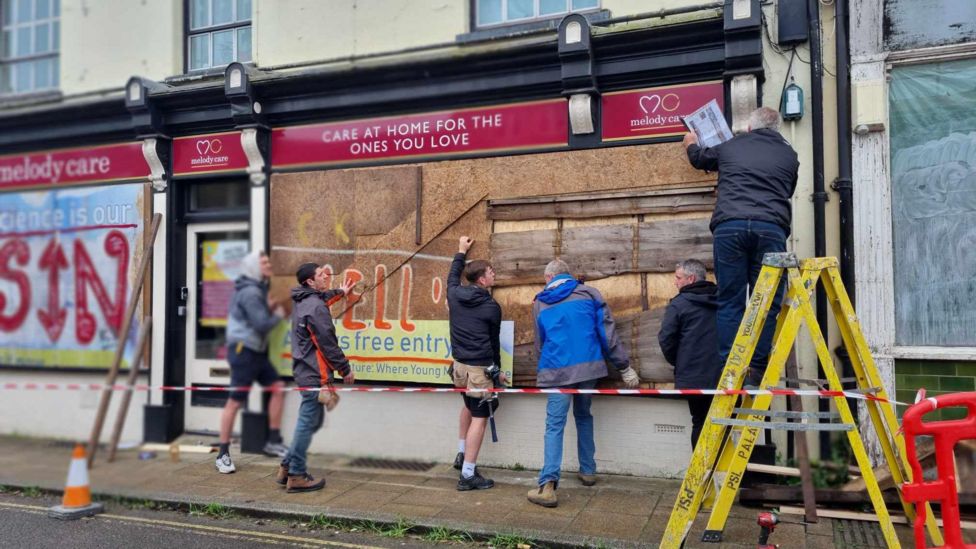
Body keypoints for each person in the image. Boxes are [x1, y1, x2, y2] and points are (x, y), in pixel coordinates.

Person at [683, 106, 799, 386]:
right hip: (770, 228)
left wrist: (689, 144)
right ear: (776, 129)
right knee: (767, 300)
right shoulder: (789, 155)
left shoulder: (731, 145)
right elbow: (787, 190)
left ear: (749, 127)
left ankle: (730, 367)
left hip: (730, 226)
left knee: (730, 298)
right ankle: (756, 369)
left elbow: (701, 159)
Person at [527, 259, 640, 508]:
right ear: (567, 275)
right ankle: (588, 471)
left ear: (549, 278)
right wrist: (624, 366)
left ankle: (547, 486)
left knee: (554, 425)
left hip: (556, 371)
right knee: (583, 414)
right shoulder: (590, 293)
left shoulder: (541, 301)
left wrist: (543, 366)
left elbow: (539, 342)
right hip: (588, 368)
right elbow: (607, 332)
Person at [274, 262, 355, 493]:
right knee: (307, 422)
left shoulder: (304, 300)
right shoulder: (315, 308)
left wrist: (340, 292)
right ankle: (297, 476)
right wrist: (345, 369)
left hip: (304, 371)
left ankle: (286, 467)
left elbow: (322, 299)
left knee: (311, 421)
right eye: (321, 274)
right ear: (310, 281)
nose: (326, 275)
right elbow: (327, 343)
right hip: (314, 374)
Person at [216, 250, 287, 474]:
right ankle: (222, 455)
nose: (268, 265)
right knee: (235, 402)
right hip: (244, 352)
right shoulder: (250, 292)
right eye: (263, 262)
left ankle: (273, 440)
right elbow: (261, 325)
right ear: (253, 267)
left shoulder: (256, 289)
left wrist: (269, 308)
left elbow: (256, 317)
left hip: (256, 352)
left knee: (277, 388)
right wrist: (278, 315)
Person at [447, 236, 506, 491]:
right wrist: (498, 372)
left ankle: (461, 455)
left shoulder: (455, 293)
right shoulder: (491, 307)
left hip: (459, 367)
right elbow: (494, 343)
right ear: (482, 280)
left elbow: (452, 275)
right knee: (480, 418)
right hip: (480, 370)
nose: (494, 275)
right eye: (491, 272)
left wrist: (461, 251)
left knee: (469, 408)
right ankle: (468, 474)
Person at [658, 259, 720, 448]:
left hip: (694, 377)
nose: (675, 282)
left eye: (678, 278)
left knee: (700, 422)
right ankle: (725, 474)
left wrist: (680, 361)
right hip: (726, 374)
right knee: (725, 424)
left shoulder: (680, 304)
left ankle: (700, 475)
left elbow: (666, 339)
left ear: (691, 279)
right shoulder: (725, 299)